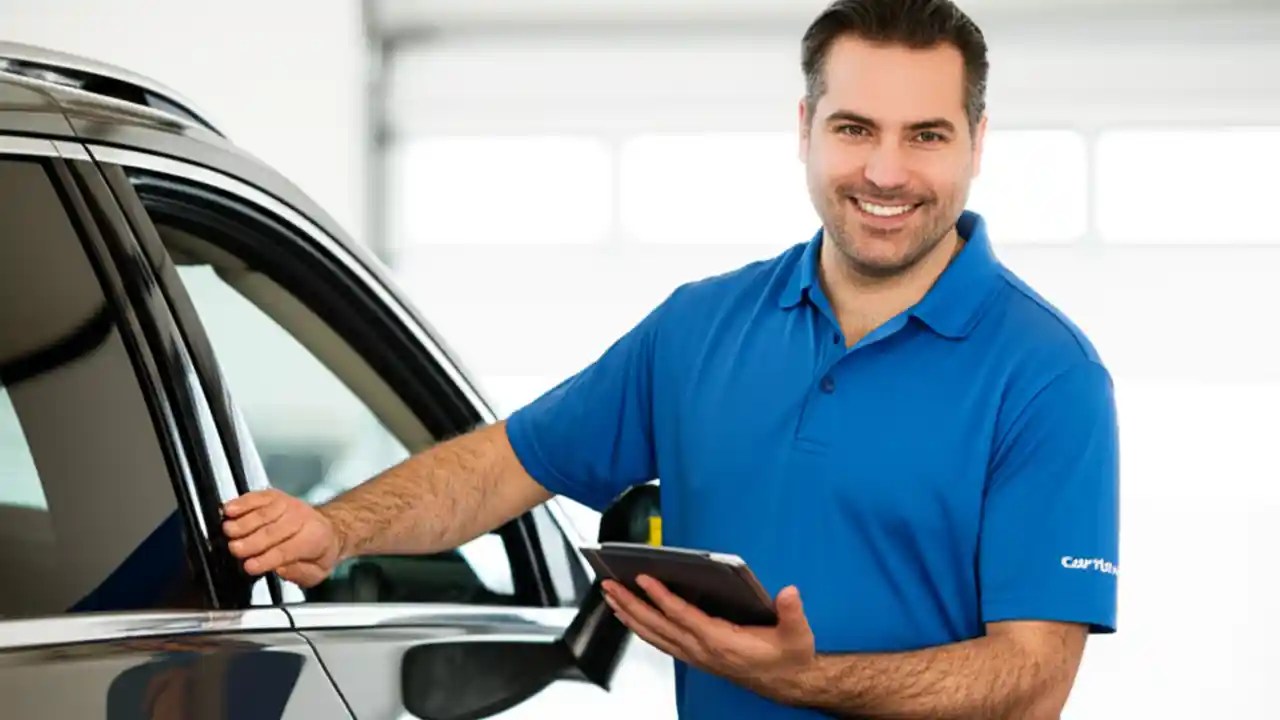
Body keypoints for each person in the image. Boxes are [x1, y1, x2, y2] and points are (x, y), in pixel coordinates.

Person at [222, 0, 1120, 717]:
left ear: (977, 142)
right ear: (805, 128)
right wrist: (337, 531)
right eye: (854, 129)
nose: (885, 172)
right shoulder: (700, 328)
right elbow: (506, 465)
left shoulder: (1048, 377)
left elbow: (1032, 680)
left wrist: (801, 679)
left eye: (925, 135)